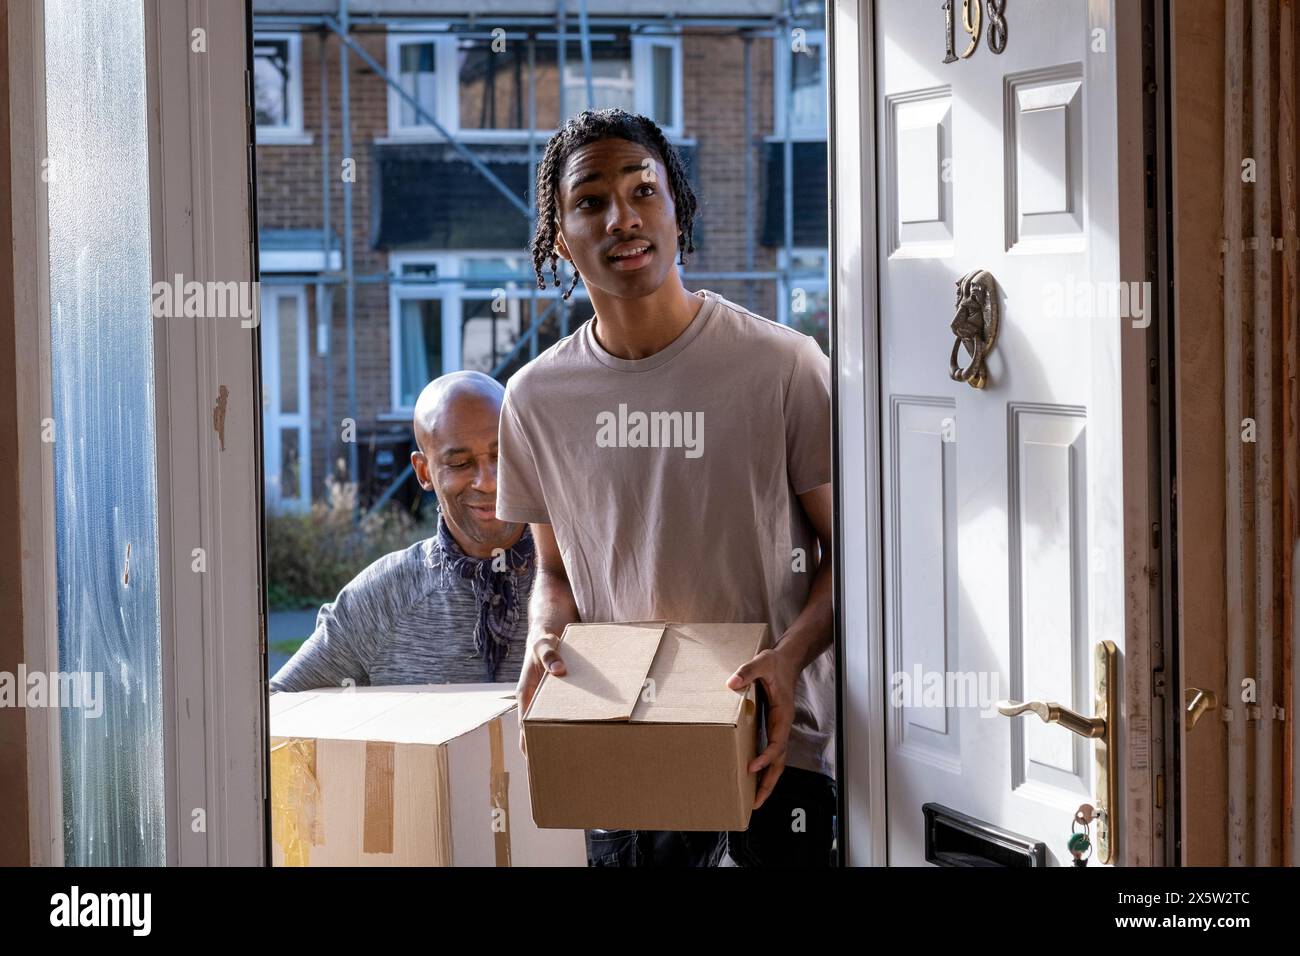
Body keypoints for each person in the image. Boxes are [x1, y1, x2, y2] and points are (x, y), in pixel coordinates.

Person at [497, 108, 836, 867]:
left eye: (644, 190)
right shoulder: (533, 400)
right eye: (589, 201)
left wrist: (787, 657)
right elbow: (555, 573)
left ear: (677, 211)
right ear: (559, 238)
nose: (622, 217)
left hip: (774, 753)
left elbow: (850, 559)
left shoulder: (783, 367)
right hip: (624, 750)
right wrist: (541, 636)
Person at [270, 371, 534, 692]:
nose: (488, 481)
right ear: (424, 472)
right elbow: (277, 708)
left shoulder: (576, 579)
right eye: (460, 463)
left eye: (501, 455)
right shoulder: (382, 598)